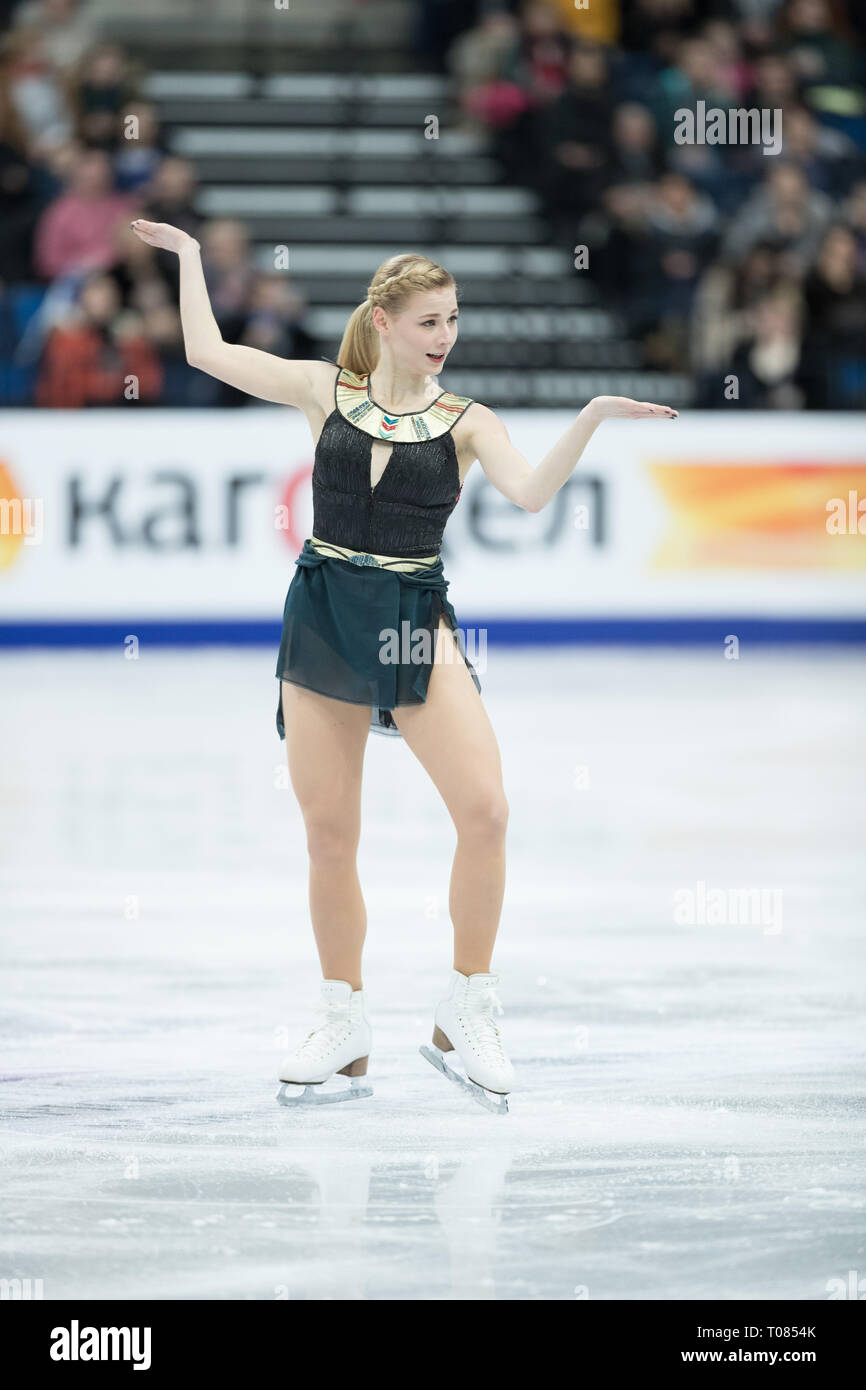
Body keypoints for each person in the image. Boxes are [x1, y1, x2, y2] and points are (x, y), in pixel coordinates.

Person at [130, 217, 679, 1114]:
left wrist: (592, 418)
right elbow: (204, 349)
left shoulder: (467, 421)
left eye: (453, 321)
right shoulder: (322, 389)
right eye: (430, 322)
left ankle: (467, 1007)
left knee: (487, 809)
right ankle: (343, 1019)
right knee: (330, 831)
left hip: (414, 618)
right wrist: (192, 260)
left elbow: (532, 495)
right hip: (324, 610)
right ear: (383, 321)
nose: (445, 338)